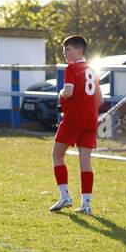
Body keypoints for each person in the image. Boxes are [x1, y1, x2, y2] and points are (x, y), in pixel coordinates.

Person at [50, 35, 100, 214]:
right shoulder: (92, 70)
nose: (65, 53)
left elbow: (69, 92)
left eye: (68, 49)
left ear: (79, 50)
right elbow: (99, 99)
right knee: (85, 162)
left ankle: (65, 197)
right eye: (64, 50)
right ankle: (86, 204)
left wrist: (61, 94)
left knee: (57, 155)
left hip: (73, 119)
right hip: (90, 120)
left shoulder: (71, 68)